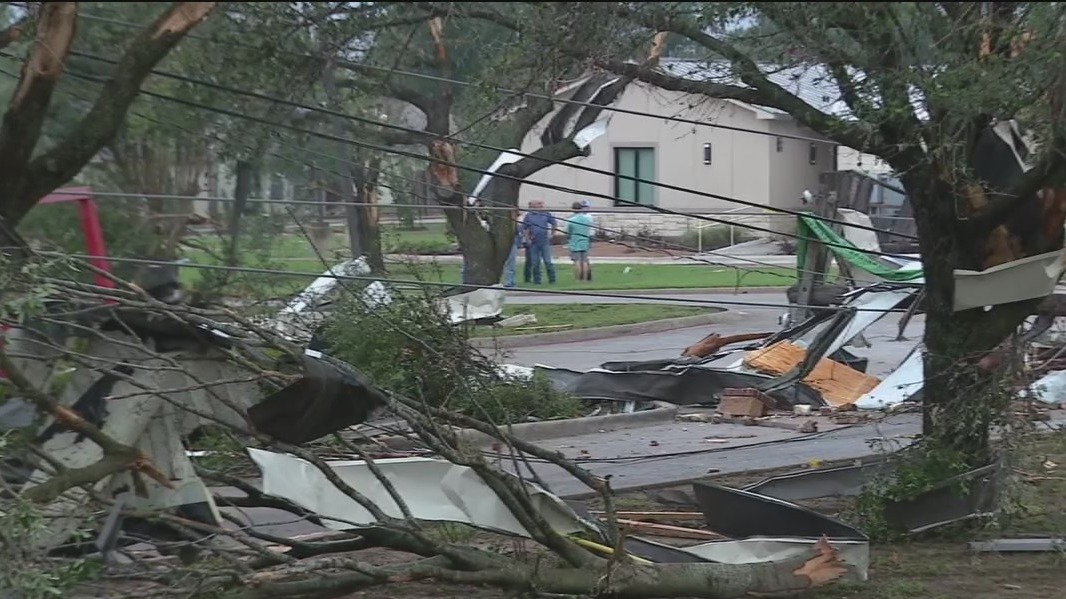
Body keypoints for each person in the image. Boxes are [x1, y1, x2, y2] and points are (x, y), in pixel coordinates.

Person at [522, 199, 556, 285]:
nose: (541, 205)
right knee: (535, 263)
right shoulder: (528, 216)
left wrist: (552, 234)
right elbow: (525, 228)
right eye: (539, 204)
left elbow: (554, 223)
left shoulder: (546, 214)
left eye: (541, 203)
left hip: (544, 241)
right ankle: (537, 281)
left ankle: (552, 280)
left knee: (548, 261)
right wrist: (527, 239)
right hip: (534, 242)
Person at [566, 201, 594, 282]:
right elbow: (589, 230)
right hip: (585, 241)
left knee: (577, 261)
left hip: (575, 242)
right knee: (584, 261)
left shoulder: (571, 220)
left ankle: (578, 279)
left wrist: (568, 239)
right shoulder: (587, 220)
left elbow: (568, 232)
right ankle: (585, 279)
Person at [502, 206, 524, 288]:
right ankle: (509, 281)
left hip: (513, 243)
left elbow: (520, 235)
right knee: (508, 263)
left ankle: (510, 282)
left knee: (511, 263)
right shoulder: (505, 223)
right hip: (506, 242)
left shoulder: (518, 224)